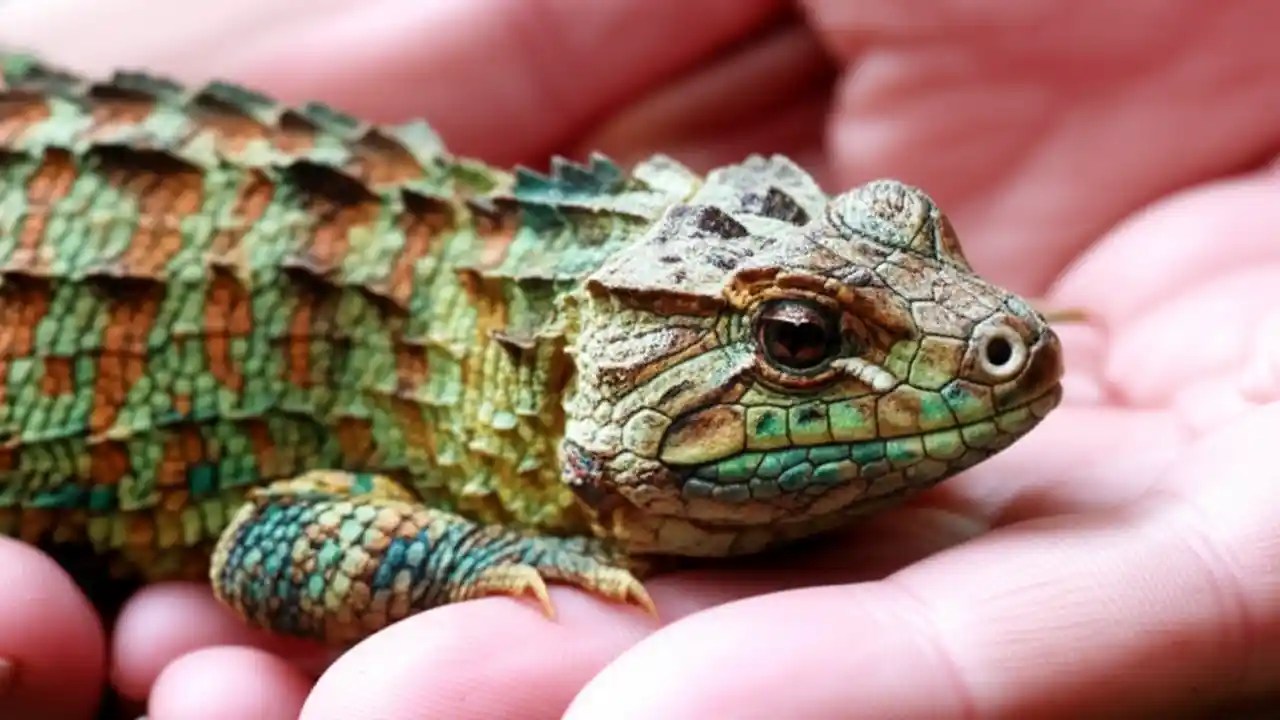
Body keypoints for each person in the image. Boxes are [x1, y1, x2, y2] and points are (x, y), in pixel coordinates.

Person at [1, 1, 1278, 717]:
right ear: (606, 384)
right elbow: (268, 546)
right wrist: (481, 558)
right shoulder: (467, 442)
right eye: (797, 342)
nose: (998, 339)